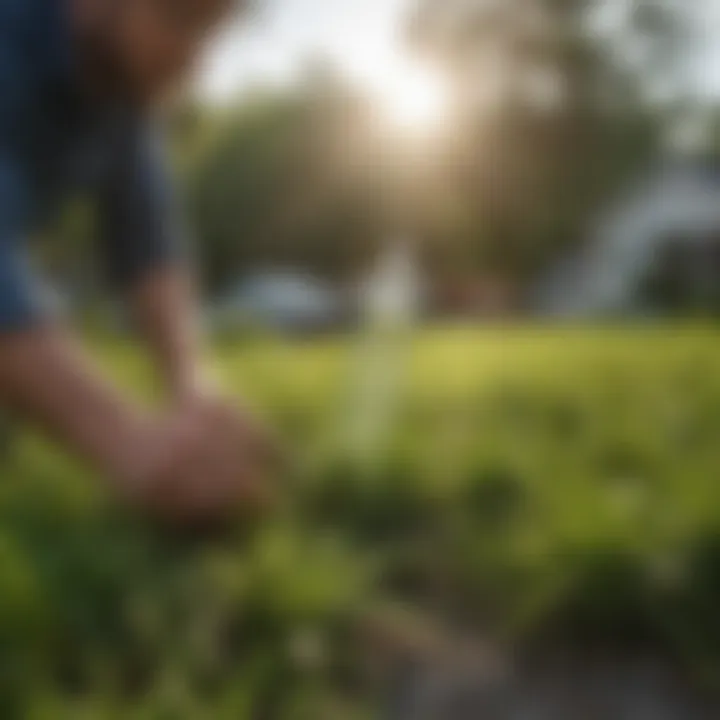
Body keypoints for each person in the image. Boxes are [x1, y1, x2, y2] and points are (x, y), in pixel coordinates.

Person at [0, 0, 275, 525]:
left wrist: (194, 394)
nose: (192, 61)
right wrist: (122, 441)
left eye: (210, 37)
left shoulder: (118, 95)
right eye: (180, 19)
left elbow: (150, 246)